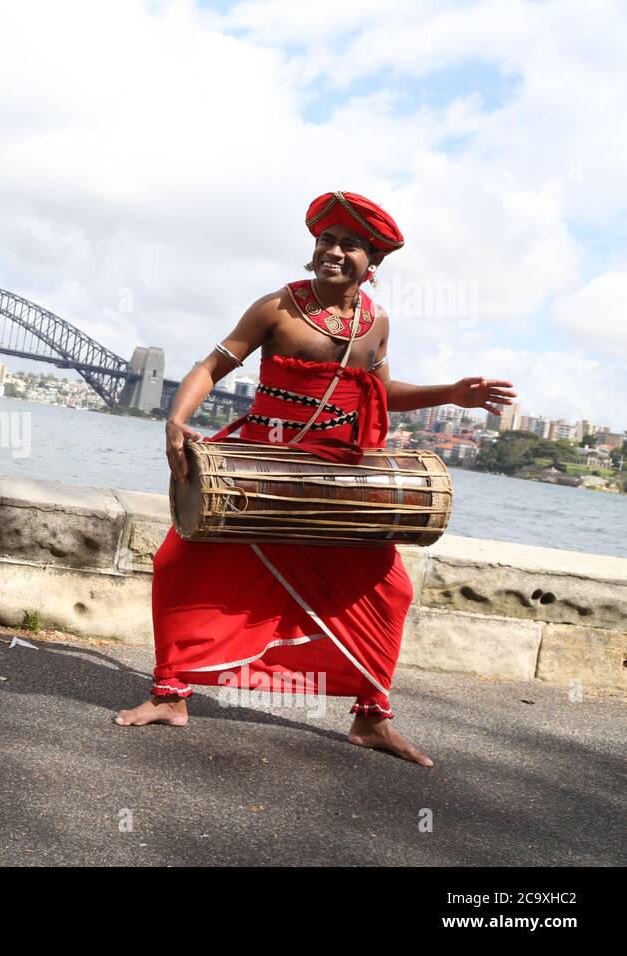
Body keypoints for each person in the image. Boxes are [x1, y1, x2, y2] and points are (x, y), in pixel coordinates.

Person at [115, 191, 515, 767]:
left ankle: (371, 718)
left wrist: (450, 393)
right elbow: (210, 367)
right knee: (180, 563)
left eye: (350, 244)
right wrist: (177, 420)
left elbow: (382, 391)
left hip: (335, 477)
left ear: (371, 260)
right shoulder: (276, 307)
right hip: (260, 465)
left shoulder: (375, 323)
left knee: (391, 590)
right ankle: (171, 696)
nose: (334, 250)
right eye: (326, 240)